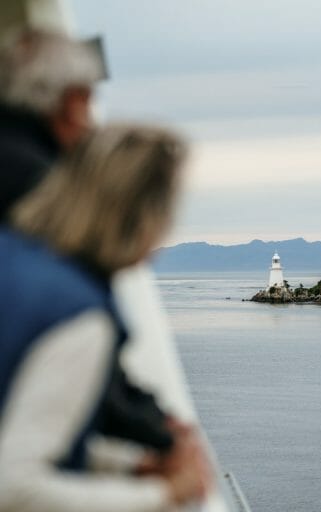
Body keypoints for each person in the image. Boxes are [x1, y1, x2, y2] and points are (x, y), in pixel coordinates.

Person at [0, 124, 210, 511]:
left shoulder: (13, 259)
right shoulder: (77, 317)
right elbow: (13, 488)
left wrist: (129, 466)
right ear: (141, 215)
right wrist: (165, 494)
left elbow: (19, 424)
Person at [0, 28, 177, 454]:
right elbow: (70, 320)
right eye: (88, 98)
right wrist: (156, 431)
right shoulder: (41, 183)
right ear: (71, 99)